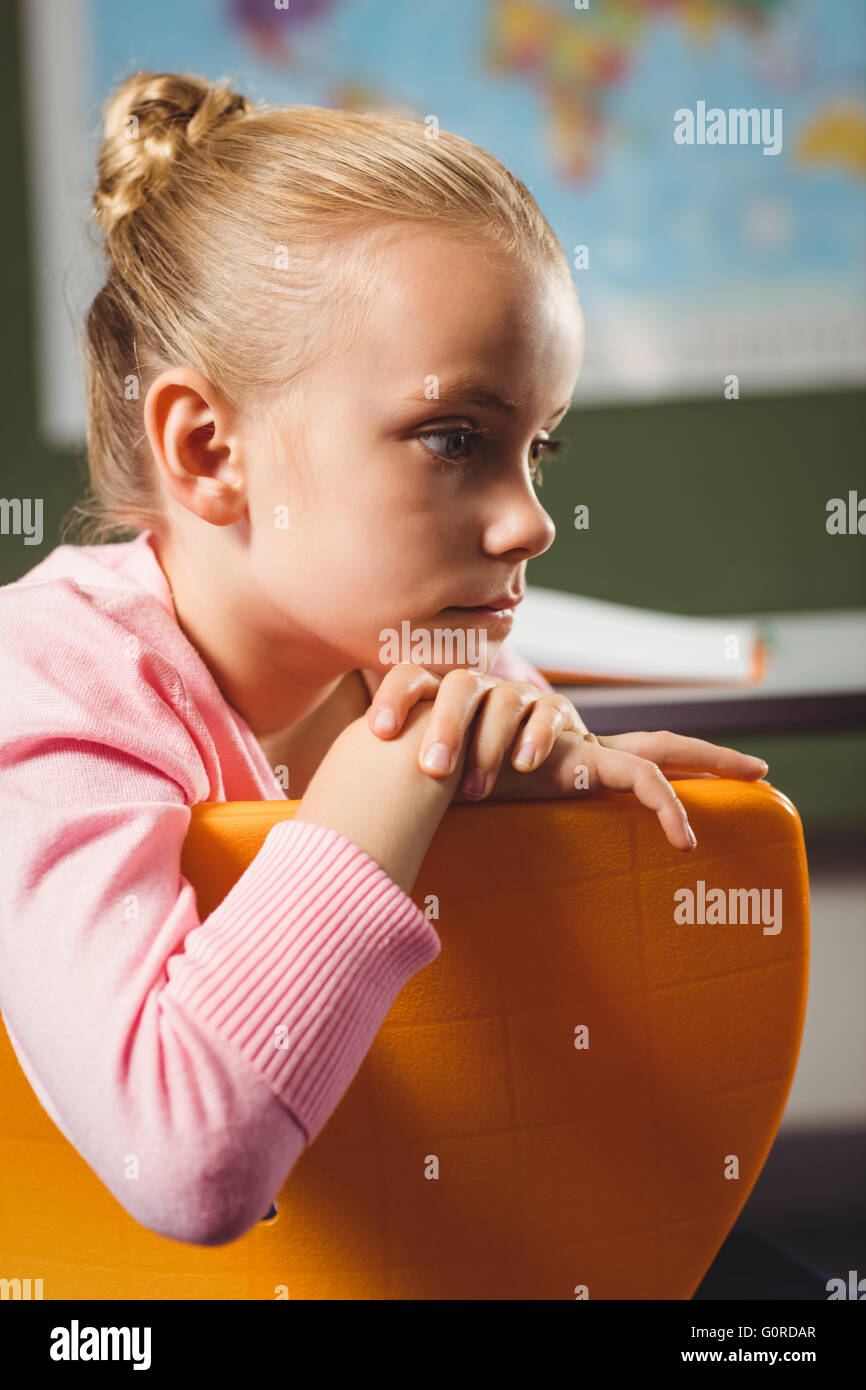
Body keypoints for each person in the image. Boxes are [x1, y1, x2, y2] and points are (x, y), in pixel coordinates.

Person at [0, 72, 768, 1248]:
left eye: (535, 448)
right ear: (209, 449)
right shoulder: (47, 679)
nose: (529, 523)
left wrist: (558, 844)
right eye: (453, 438)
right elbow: (187, 1165)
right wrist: (397, 778)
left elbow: (542, 1112)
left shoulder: (461, 677)